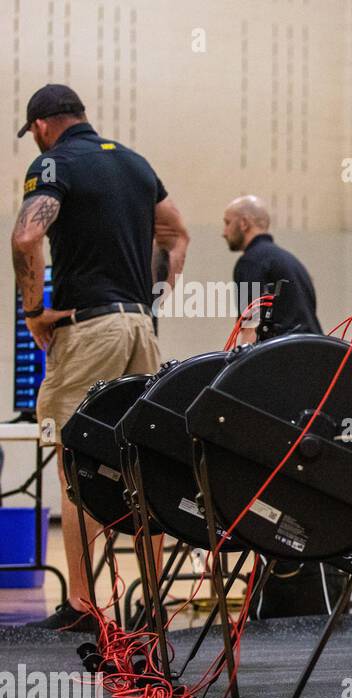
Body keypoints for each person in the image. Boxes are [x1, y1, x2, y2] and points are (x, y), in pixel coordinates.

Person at [12, 84, 189, 632]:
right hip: (140, 327)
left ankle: (85, 608)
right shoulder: (135, 164)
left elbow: (25, 238)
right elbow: (174, 231)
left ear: (42, 125)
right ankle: (152, 604)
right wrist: (154, 294)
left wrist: (35, 310)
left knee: (76, 464)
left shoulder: (53, 164)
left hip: (90, 329)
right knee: (144, 463)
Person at [222, 195, 322, 343]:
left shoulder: (250, 261)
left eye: (227, 223)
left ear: (243, 223)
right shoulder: (292, 261)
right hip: (318, 353)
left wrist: (241, 364)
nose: (224, 232)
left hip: (284, 358)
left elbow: (250, 326)